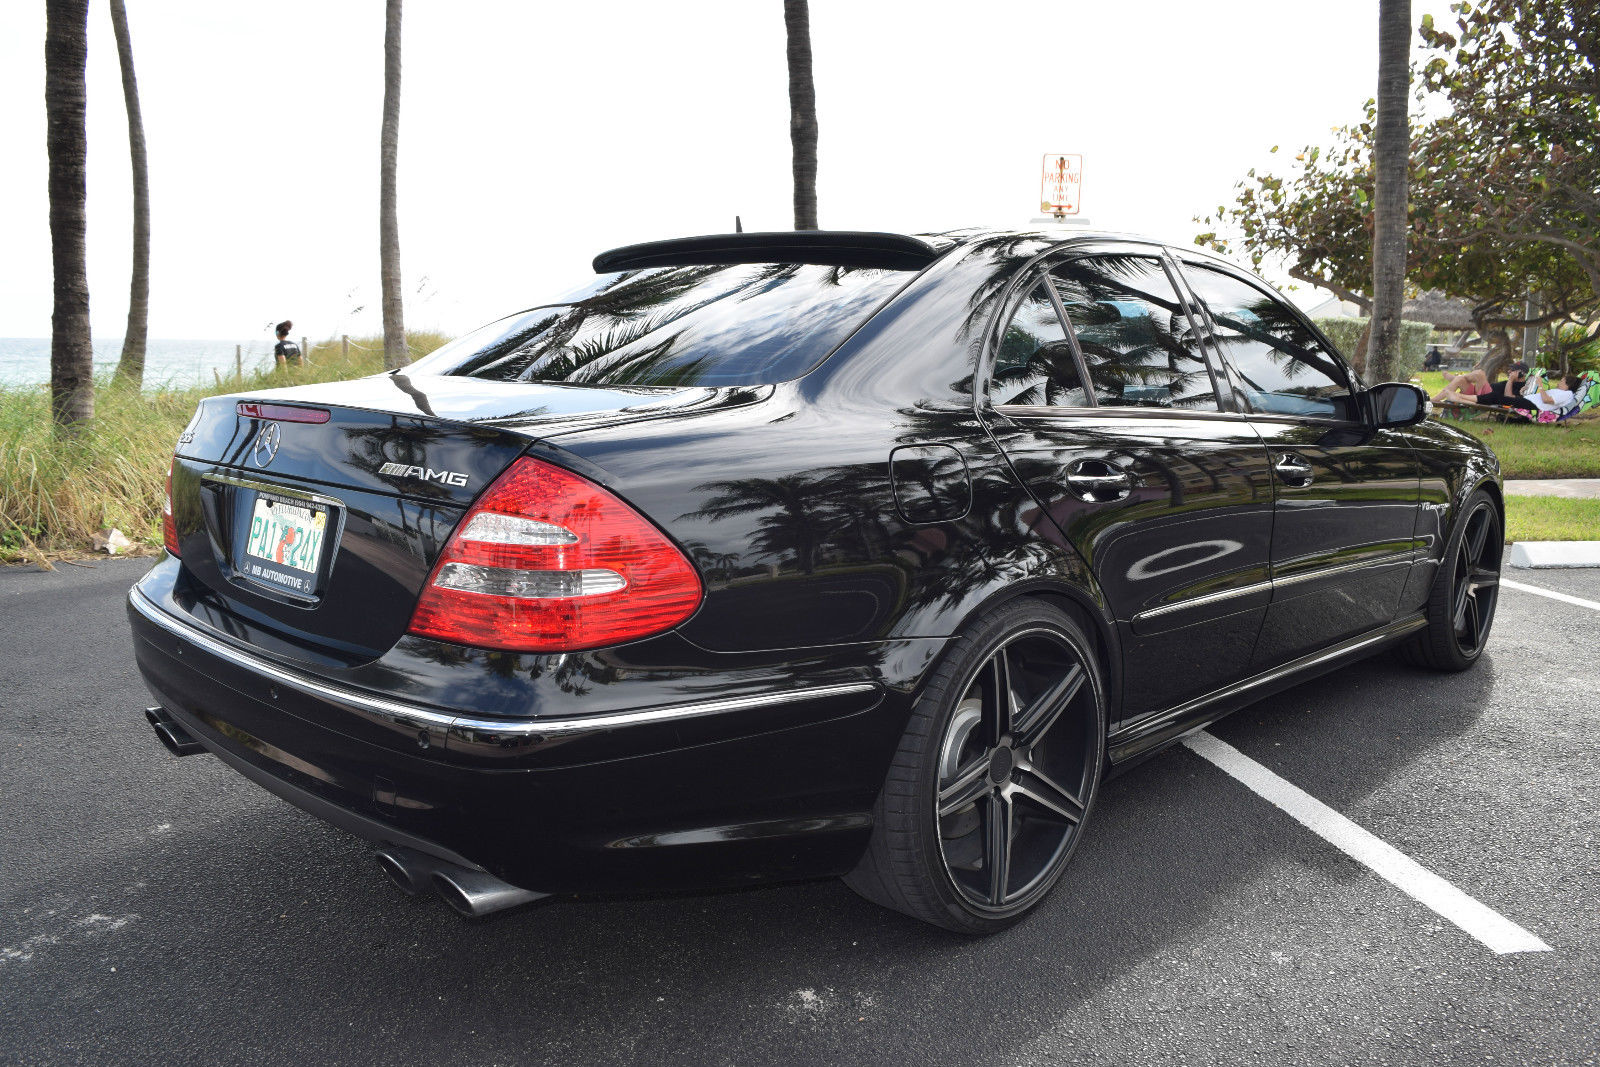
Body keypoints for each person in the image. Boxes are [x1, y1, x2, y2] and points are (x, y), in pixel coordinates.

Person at [1439, 369, 1580, 415]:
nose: (1559, 383)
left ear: (1568, 385)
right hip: (1528, 400)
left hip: (1532, 405)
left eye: (1562, 381)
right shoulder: (1561, 392)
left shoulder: (1567, 394)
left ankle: (1459, 396)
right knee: (1497, 397)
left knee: (1496, 397)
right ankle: (1459, 397)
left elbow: (1547, 400)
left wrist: (1541, 387)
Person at [1432, 360, 1526, 404]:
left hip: (1487, 397)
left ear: (1522, 373)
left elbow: (1509, 398)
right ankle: (1433, 400)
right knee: (1460, 380)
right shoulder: (1511, 382)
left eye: (1513, 370)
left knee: (1480, 373)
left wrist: (1510, 380)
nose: (1509, 371)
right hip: (1479, 393)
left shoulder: (1523, 387)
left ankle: (1454, 378)